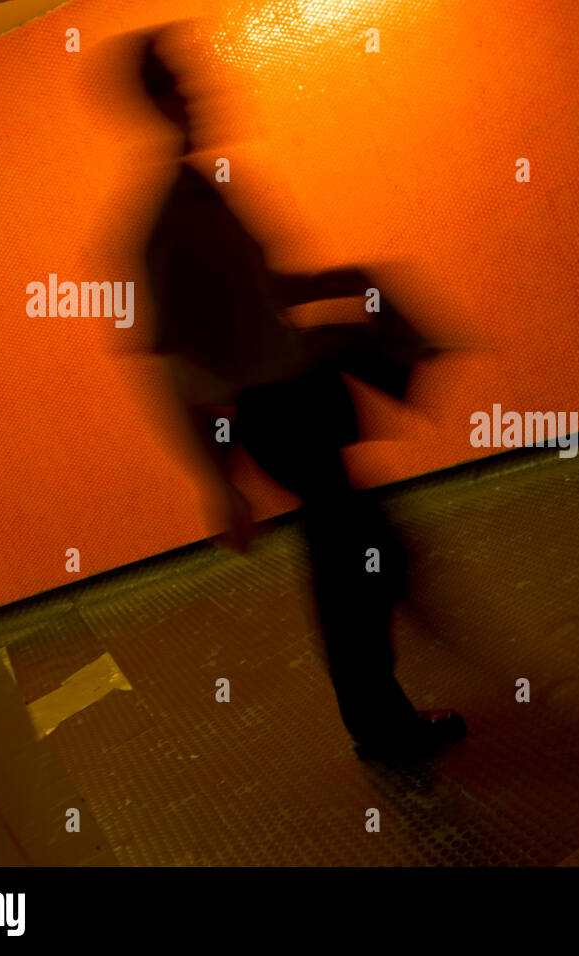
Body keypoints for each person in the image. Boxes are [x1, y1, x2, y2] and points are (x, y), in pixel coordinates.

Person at [136, 27, 466, 762]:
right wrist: (218, 486)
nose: (197, 95)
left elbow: (265, 293)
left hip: (302, 396)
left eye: (192, 82)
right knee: (353, 563)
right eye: (179, 86)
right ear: (155, 101)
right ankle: (383, 727)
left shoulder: (206, 194)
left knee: (355, 552)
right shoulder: (165, 227)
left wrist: (344, 278)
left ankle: (383, 703)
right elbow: (171, 367)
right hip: (278, 415)